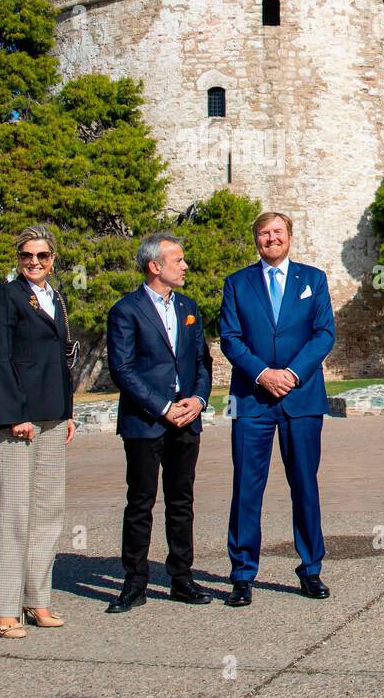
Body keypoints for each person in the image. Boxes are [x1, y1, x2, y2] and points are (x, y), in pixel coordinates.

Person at [219, 211, 336, 607]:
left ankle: (310, 568)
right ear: (256, 239)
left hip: (301, 398)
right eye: (264, 233)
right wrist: (262, 374)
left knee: (304, 484)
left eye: (278, 232)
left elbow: (324, 335)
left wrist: (292, 374)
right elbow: (230, 339)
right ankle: (242, 574)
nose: (271, 239)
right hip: (252, 400)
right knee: (247, 488)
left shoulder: (313, 280)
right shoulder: (236, 283)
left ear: (290, 237)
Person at [105, 232, 213, 613]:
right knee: (140, 502)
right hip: (145, 422)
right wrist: (163, 407)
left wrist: (198, 400)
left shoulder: (189, 307)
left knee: (181, 501)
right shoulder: (125, 310)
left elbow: (202, 361)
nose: (185, 266)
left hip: (187, 421)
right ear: (155, 266)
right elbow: (123, 369)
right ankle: (134, 582)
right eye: (178, 260)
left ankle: (182, 578)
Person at [0, 225, 75, 638]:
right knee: (14, 512)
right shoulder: (7, 296)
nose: (34, 262)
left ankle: (36, 599)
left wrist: (69, 411)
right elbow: (1, 358)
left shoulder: (56, 297)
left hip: (54, 415)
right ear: (18, 259)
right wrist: (14, 413)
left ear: (52, 260)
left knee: (48, 512)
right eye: (27, 256)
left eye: (42, 256)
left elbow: (61, 358)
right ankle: (2, 608)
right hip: (20, 419)